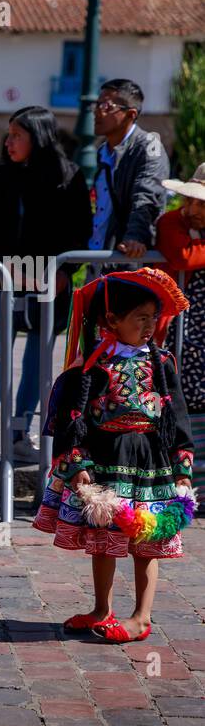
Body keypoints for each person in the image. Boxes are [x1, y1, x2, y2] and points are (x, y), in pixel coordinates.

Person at [34, 269, 192, 644]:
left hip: (151, 461)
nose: (150, 324)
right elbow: (74, 417)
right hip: (107, 460)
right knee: (104, 537)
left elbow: (177, 414)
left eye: (154, 317)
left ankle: (142, 616)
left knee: (146, 540)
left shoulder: (162, 361)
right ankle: (101, 609)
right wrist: (77, 465)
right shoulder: (91, 365)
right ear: (112, 320)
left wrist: (181, 464)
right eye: (141, 317)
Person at [0, 106, 92, 464]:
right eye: (9, 134)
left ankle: (20, 435)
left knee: (37, 363)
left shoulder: (68, 176)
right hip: (3, 280)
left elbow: (81, 229)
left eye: (17, 135)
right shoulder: (3, 175)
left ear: (39, 137)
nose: (9, 142)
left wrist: (67, 269)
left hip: (50, 285)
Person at [155, 162, 205, 488]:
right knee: (186, 399)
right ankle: (190, 481)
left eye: (200, 203)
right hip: (183, 334)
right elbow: (183, 258)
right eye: (189, 200)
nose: (191, 209)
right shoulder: (172, 222)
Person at [88, 80, 169, 274]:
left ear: (130, 115)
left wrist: (135, 238)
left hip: (127, 263)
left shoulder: (149, 146)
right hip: (97, 262)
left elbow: (146, 197)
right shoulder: (103, 151)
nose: (98, 111)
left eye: (107, 106)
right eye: (97, 104)